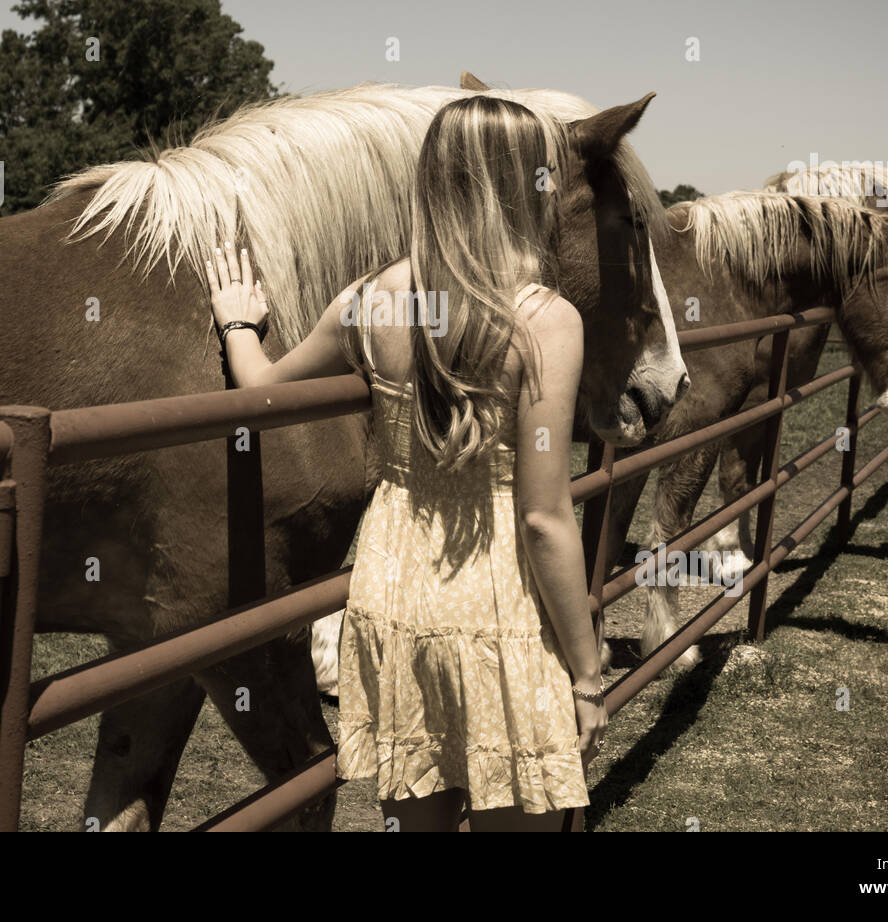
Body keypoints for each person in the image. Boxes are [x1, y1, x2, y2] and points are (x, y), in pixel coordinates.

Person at [205, 95, 606, 831]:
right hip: (499, 607)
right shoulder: (545, 320)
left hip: (395, 595)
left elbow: (260, 387)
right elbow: (545, 518)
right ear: (526, 187)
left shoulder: (370, 300)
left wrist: (237, 321)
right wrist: (586, 672)